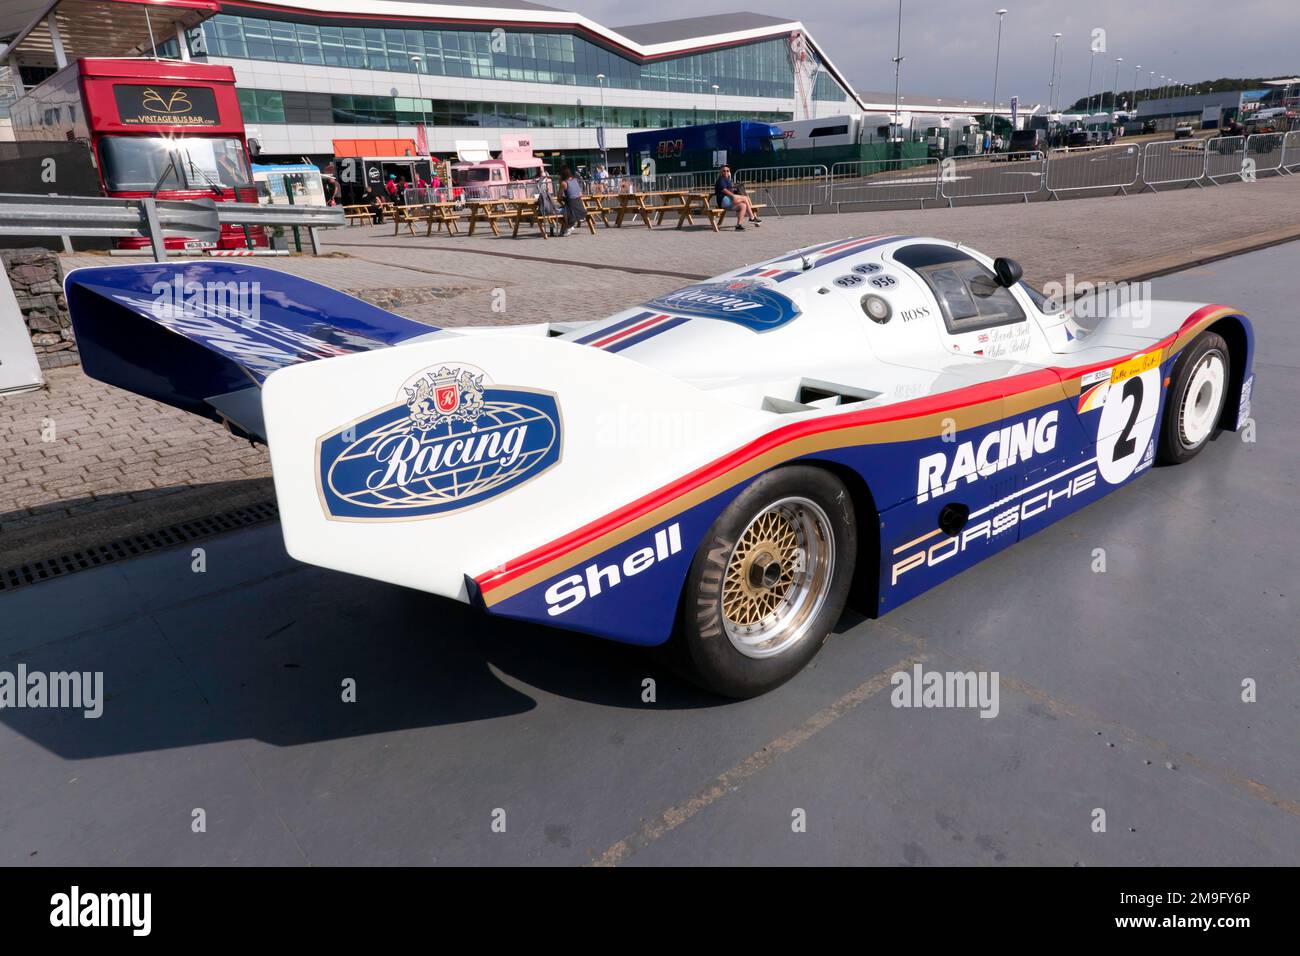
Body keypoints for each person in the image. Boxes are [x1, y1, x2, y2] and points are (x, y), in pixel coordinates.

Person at [714, 165, 759, 230]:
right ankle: (752, 217)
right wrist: (733, 196)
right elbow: (724, 190)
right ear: (721, 172)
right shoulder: (721, 179)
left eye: (727, 171)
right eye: (724, 171)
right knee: (745, 198)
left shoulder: (727, 179)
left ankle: (738, 225)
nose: (726, 172)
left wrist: (734, 192)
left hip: (728, 200)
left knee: (743, 205)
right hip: (723, 201)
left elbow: (730, 189)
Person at [558, 165, 584, 236]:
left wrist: (559, 182)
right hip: (580, 208)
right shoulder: (575, 180)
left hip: (571, 209)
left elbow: (559, 198)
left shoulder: (564, 183)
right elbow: (580, 194)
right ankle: (564, 230)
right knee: (562, 211)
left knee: (554, 214)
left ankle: (569, 226)